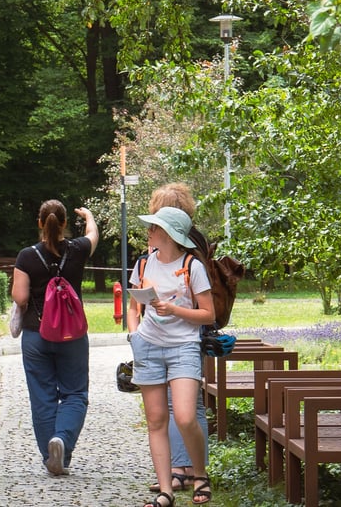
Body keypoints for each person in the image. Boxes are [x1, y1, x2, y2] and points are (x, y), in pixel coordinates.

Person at [127, 206, 214, 506]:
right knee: (156, 420)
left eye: (154, 227)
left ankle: (199, 474)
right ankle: (166, 491)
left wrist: (174, 309)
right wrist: (133, 333)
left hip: (183, 348)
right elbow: (132, 304)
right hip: (148, 346)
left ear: (168, 234)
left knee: (187, 416)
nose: (149, 231)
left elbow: (208, 314)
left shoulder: (193, 266)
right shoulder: (143, 264)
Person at [11, 200, 98, 476]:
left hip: (36, 336)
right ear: (64, 224)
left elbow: (20, 297)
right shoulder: (78, 250)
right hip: (72, 335)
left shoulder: (26, 256)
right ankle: (62, 440)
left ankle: (50, 455)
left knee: (42, 397)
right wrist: (89, 216)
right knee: (75, 393)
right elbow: (93, 236)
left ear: (40, 223)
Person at [144, 183, 209, 494]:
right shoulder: (187, 242)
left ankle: (190, 470)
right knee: (175, 409)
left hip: (188, 332)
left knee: (185, 409)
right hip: (160, 336)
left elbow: (202, 301)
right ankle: (179, 471)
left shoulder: (190, 252)